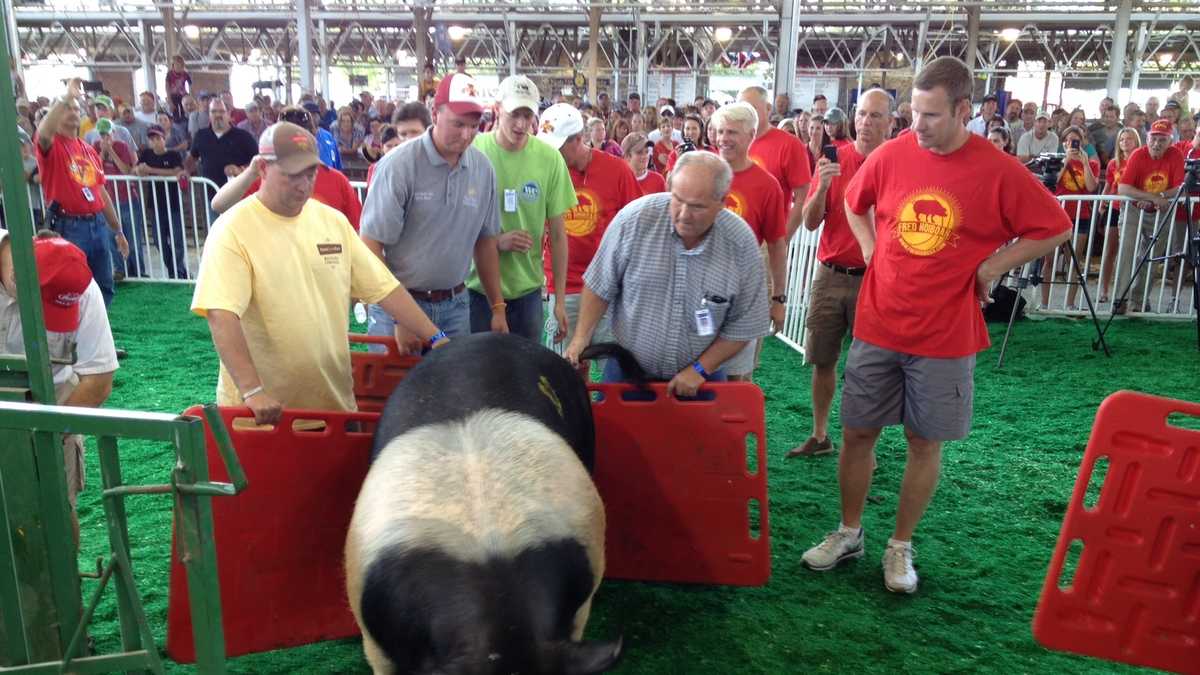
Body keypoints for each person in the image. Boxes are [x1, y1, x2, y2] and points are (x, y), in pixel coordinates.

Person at [800, 56, 1071, 595]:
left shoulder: (996, 168)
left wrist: (993, 266)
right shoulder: (893, 154)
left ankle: (900, 545)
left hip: (945, 334)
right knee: (856, 433)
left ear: (965, 111)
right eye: (912, 113)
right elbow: (856, 204)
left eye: (929, 115)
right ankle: (849, 531)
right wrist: (874, 250)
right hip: (878, 324)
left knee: (926, 442)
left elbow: (1055, 227)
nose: (915, 126)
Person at [191, 122, 448, 425]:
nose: (304, 184)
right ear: (262, 168)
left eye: (310, 173)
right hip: (264, 417)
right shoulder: (232, 230)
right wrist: (252, 391)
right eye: (292, 175)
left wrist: (436, 336)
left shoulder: (332, 222)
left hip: (333, 407)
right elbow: (222, 314)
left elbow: (383, 287)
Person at [563, 151, 769, 396]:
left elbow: (743, 325)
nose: (683, 214)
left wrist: (700, 370)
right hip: (628, 370)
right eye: (678, 200)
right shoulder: (634, 220)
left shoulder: (740, 243)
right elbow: (599, 284)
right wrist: (580, 339)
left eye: (697, 207)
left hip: (703, 377)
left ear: (722, 202)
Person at [359, 73, 507, 352]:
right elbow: (370, 244)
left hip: (456, 306)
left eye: (474, 126)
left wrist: (497, 306)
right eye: (458, 124)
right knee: (394, 393)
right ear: (434, 114)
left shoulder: (483, 169)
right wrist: (399, 315)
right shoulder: (398, 165)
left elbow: (486, 241)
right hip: (401, 305)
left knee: (454, 394)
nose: (466, 134)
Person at [786, 88, 891, 459]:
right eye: (861, 114)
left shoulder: (897, 163)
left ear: (890, 123)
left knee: (869, 367)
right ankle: (820, 434)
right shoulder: (835, 162)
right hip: (830, 273)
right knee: (822, 358)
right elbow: (811, 223)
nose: (865, 122)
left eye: (875, 116)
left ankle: (865, 448)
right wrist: (824, 185)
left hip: (876, 278)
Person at [0, 231, 118, 544]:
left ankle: (66, 590)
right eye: (44, 308)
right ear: (16, 278)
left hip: (54, 402)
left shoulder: (81, 287)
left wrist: (51, 430)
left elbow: (99, 379)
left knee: (57, 508)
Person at [467, 75, 575, 342]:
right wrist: (495, 242)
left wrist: (559, 301)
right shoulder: (473, 153)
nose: (521, 124)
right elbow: (456, 224)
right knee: (481, 375)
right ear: (497, 110)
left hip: (528, 293)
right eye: (514, 114)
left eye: (528, 115)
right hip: (477, 291)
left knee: (525, 376)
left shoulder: (549, 159)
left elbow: (559, 236)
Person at [537, 103, 641, 373]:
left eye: (558, 146)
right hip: (564, 286)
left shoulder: (617, 170)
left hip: (609, 288)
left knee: (615, 369)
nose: (553, 153)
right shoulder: (545, 170)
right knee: (564, 371)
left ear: (578, 139)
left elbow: (636, 225)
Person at [708, 102, 788, 381]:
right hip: (698, 291)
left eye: (732, 132)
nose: (723, 139)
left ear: (751, 135)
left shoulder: (767, 185)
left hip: (742, 296)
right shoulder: (700, 172)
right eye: (720, 131)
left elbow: (778, 245)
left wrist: (779, 298)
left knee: (737, 380)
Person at [35, 78, 129, 305]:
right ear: (56, 114)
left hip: (96, 223)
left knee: (104, 286)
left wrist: (117, 230)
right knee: (72, 287)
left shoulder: (88, 149)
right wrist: (67, 96)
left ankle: (99, 338)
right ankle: (74, 338)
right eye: (67, 108)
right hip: (69, 225)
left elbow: (100, 191)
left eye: (76, 108)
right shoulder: (51, 144)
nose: (73, 111)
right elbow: (44, 133)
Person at [209, 108, 363, 231]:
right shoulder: (266, 177)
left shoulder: (336, 180)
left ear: (313, 137)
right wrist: (252, 171)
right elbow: (219, 205)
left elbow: (355, 229)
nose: (303, 184)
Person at [1115, 119, 1186, 313]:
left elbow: (1180, 187)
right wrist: (1152, 197)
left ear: (1170, 141)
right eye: (1153, 138)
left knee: (1152, 257)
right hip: (1134, 208)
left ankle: (1138, 301)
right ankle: (1120, 299)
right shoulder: (1138, 154)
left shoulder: (1176, 155)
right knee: (1127, 251)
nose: (1156, 144)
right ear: (1147, 138)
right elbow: (1123, 187)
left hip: (1161, 211)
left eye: (1162, 140)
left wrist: (1160, 197)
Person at [739, 86, 814, 240]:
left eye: (751, 108)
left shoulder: (789, 145)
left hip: (767, 240)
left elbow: (803, 196)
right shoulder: (735, 141)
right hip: (731, 238)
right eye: (741, 108)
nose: (745, 114)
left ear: (768, 108)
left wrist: (781, 239)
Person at [1043, 125, 1101, 310]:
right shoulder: (1057, 160)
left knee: (1073, 260)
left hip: (1080, 215)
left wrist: (1084, 163)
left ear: (1082, 142)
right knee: (1049, 260)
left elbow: (1091, 188)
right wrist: (1066, 159)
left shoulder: (1091, 163)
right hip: (1057, 214)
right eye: (1068, 141)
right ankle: (1045, 303)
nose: (1072, 144)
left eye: (1076, 140)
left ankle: (1069, 303)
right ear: (1064, 143)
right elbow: (1053, 182)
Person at [134, 124, 189, 279]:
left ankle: (178, 271)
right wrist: (139, 170)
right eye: (152, 139)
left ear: (165, 139)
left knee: (177, 240)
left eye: (158, 138)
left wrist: (150, 170)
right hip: (155, 205)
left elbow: (177, 171)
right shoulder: (146, 154)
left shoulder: (173, 155)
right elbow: (135, 169)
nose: (155, 141)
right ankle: (174, 269)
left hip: (173, 203)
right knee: (159, 241)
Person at [92, 119, 145, 280]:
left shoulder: (121, 146)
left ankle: (138, 271)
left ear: (113, 133)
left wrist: (112, 152)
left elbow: (126, 170)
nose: (105, 137)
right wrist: (102, 153)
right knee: (111, 237)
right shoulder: (94, 147)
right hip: (108, 199)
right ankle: (120, 270)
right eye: (102, 134)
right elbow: (95, 171)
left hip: (127, 198)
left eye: (107, 133)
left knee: (133, 237)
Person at [1098, 126, 1141, 304]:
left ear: (1136, 141)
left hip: (1135, 208)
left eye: (1129, 139)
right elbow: (1109, 185)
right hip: (1115, 208)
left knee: (1129, 251)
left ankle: (1123, 290)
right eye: (1122, 139)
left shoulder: (1141, 160)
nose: (1125, 142)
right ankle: (1103, 288)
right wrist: (1102, 202)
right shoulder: (1113, 163)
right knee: (1110, 249)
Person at [186, 99, 258, 190]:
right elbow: (191, 159)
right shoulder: (200, 135)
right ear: (209, 115)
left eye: (221, 111)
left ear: (228, 114)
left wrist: (239, 170)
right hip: (211, 196)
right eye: (213, 111)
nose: (218, 115)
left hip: (239, 195)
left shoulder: (244, 136)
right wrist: (185, 171)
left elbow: (258, 161)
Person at [166, 55, 191, 121]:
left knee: (184, 111)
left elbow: (191, 84)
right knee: (175, 112)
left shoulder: (185, 74)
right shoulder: (170, 74)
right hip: (173, 95)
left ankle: (185, 120)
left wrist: (190, 96)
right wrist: (169, 100)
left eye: (180, 65)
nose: (178, 67)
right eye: (176, 65)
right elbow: (167, 87)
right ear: (173, 65)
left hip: (183, 95)